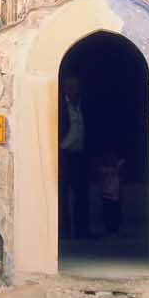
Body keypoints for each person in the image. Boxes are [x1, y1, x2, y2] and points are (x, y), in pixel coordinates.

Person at [59, 74, 89, 239]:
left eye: (76, 86)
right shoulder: (61, 105)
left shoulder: (82, 104)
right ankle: (63, 232)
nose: (73, 90)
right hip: (64, 155)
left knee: (81, 194)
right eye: (70, 86)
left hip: (79, 154)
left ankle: (82, 231)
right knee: (62, 195)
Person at [97, 150, 125, 235]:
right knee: (107, 212)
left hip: (115, 194)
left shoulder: (117, 168)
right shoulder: (104, 170)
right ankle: (109, 228)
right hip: (106, 194)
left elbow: (121, 163)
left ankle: (114, 228)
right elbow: (101, 171)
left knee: (115, 212)